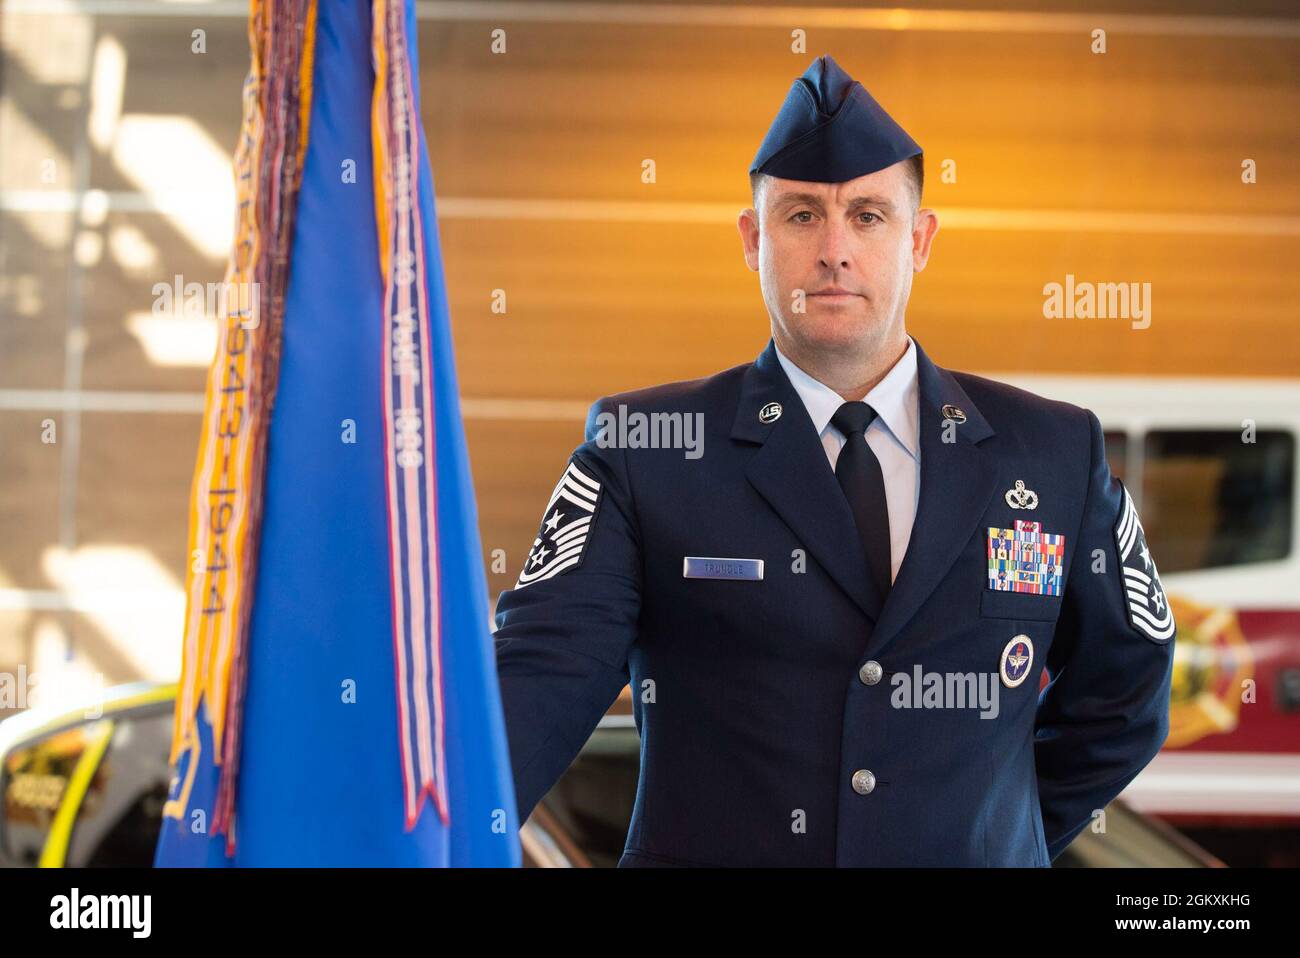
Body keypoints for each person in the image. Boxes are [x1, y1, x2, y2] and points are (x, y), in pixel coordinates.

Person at [492, 53, 1174, 867]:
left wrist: (996, 832)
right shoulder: (644, 452)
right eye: (803, 216)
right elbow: (535, 684)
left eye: (869, 216)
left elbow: (1127, 692)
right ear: (753, 240)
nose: (835, 251)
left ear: (921, 241)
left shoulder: (1054, 452)